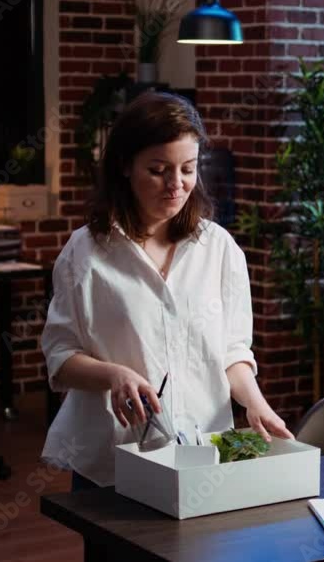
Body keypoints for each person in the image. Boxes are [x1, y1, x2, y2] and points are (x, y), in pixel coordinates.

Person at [40, 92, 293, 492]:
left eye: (188, 169)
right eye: (158, 170)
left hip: (202, 455)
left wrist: (255, 403)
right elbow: (60, 356)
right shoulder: (85, 252)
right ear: (125, 166)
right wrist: (115, 375)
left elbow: (232, 352)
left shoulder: (220, 248)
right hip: (115, 461)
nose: (176, 185)